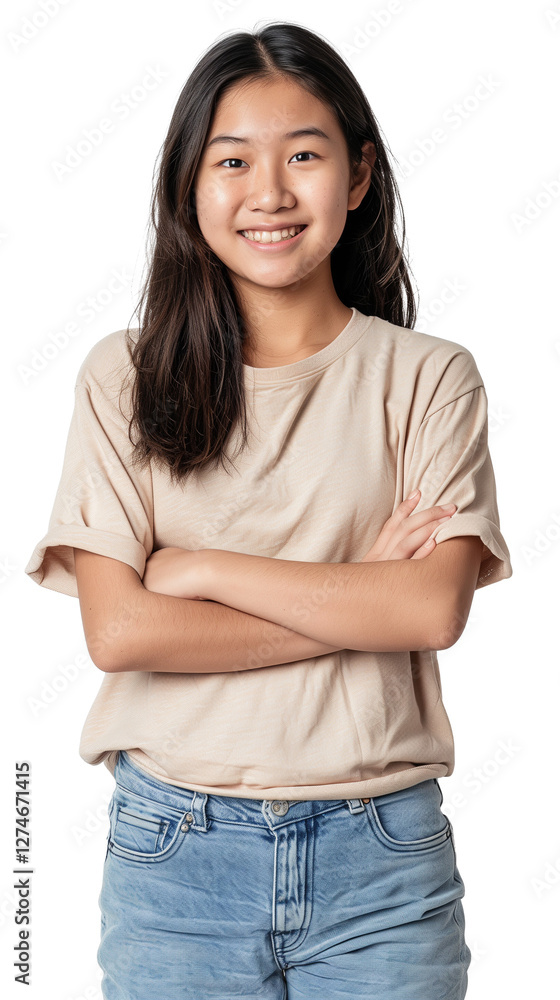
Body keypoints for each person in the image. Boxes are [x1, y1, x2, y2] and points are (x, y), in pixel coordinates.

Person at [24, 21, 513, 1000]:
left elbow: (426, 612)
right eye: (233, 159)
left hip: (381, 855)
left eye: (304, 155)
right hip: (174, 858)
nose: (270, 192)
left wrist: (202, 571)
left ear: (358, 175)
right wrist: (352, 594)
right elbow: (120, 631)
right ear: (187, 185)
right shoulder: (122, 379)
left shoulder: (425, 378)